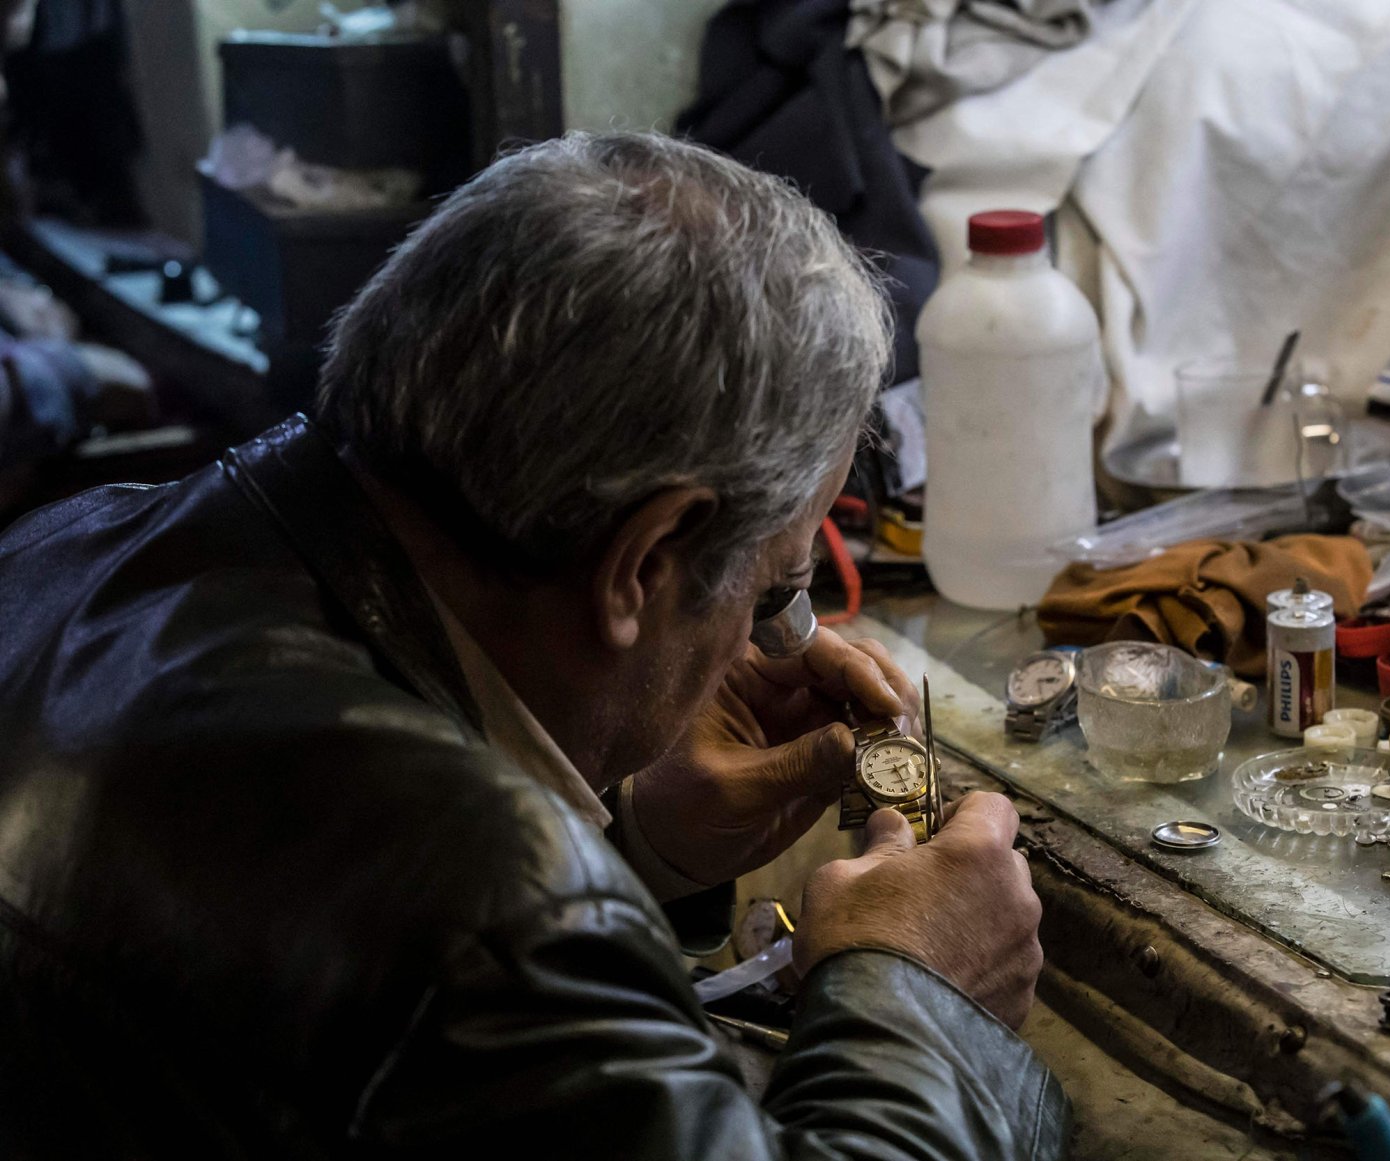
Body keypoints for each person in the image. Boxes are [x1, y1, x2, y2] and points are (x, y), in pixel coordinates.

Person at [0, 132, 1066, 1158]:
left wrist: (634, 849)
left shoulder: (65, 545)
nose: (770, 643)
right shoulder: (487, 911)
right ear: (639, 565)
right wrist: (923, 999)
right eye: (773, 590)